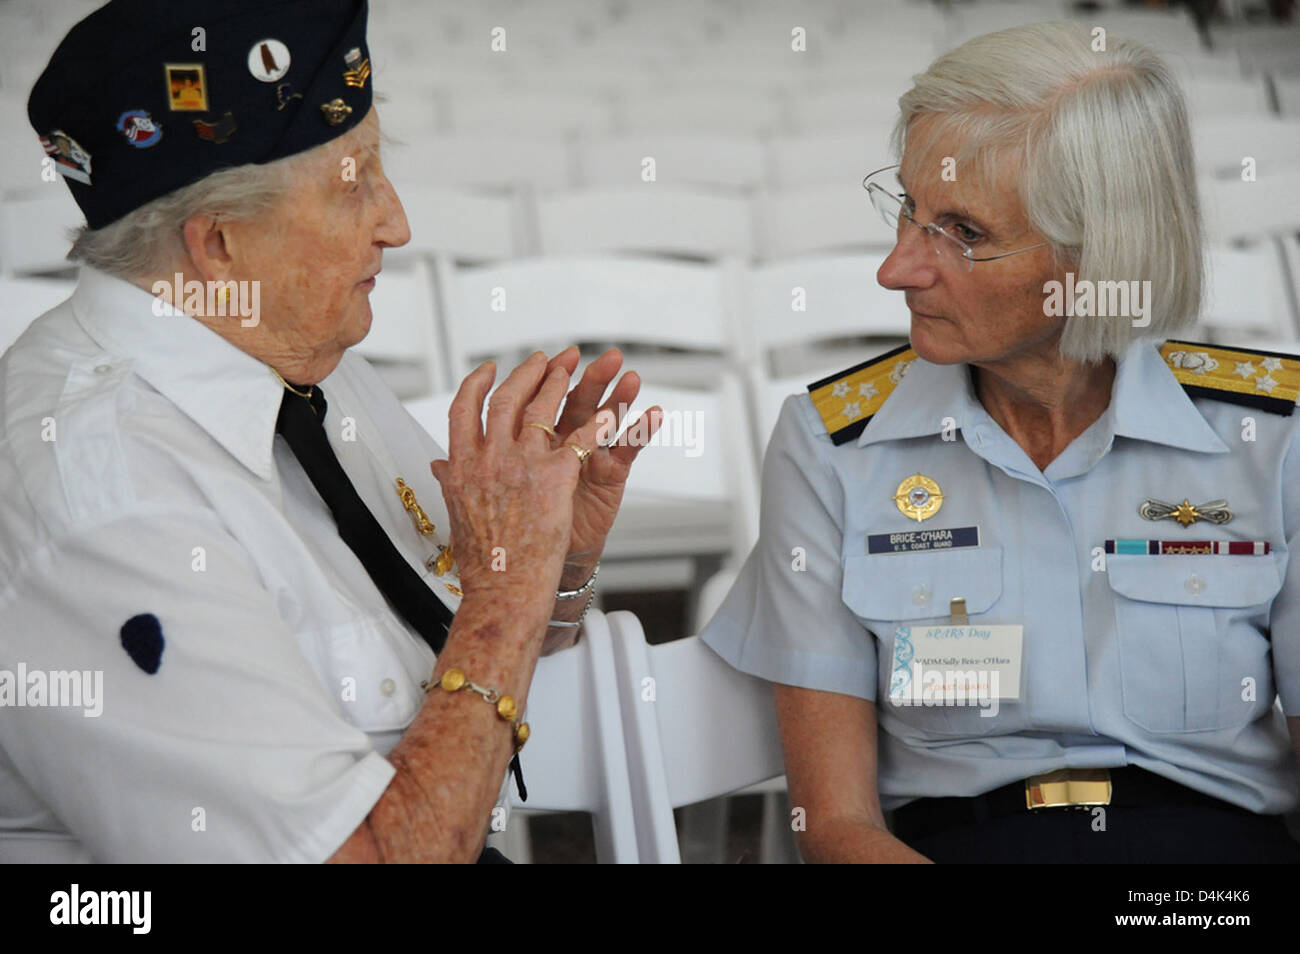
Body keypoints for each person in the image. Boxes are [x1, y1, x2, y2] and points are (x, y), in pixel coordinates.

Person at [0, 0, 659, 863]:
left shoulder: (296, 355)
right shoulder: (105, 494)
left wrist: (547, 567)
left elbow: (452, 658)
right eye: (358, 183)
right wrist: (507, 597)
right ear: (221, 246)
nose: (398, 222)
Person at [700, 20, 1300, 863]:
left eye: (965, 233)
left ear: (1096, 257)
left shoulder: (1273, 439)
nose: (898, 268)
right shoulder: (835, 446)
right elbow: (835, 826)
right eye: (909, 211)